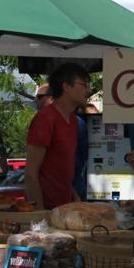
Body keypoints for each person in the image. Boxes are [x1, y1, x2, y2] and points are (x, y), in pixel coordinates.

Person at [25, 64, 90, 210]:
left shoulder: (73, 120)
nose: (88, 90)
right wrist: (40, 214)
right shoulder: (45, 119)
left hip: (65, 208)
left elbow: (61, 170)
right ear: (66, 86)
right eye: (84, 84)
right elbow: (31, 173)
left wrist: (74, 196)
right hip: (47, 210)